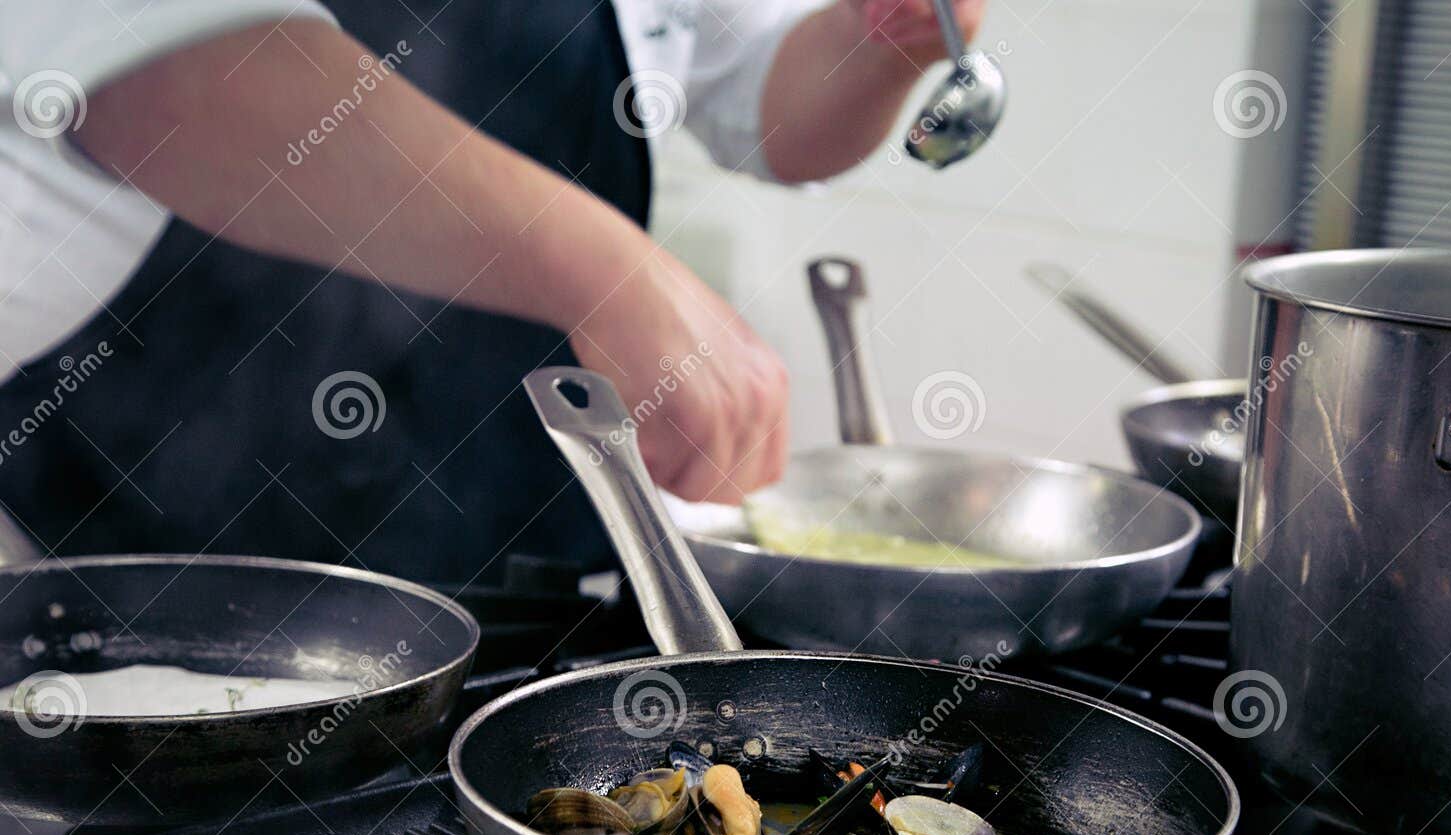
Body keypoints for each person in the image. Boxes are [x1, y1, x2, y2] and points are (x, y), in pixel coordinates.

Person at [0, 0, 984, 583]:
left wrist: (883, 38)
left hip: (523, 552)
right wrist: (611, 272)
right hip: (138, 548)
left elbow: (767, 108)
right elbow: (170, 70)